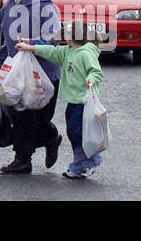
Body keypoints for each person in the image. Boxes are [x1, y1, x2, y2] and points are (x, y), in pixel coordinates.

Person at [0, 0, 62, 175]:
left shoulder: (45, 6)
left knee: (35, 117)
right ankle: (26, 156)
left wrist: (32, 45)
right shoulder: (9, 4)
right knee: (19, 115)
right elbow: (9, 40)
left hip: (43, 72)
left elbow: (54, 37)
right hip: (17, 70)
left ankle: (42, 145)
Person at [17, 22, 104, 180]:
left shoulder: (86, 53)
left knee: (77, 132)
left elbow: (95, 71)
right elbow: (51, 51)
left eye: (69, 35)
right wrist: (31, 47)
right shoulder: (68, 51)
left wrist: (91, 78)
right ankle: (83, 163)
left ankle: (86, 161)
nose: (66, 37)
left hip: (84, 102)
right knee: (74, 132)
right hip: (73, 100)